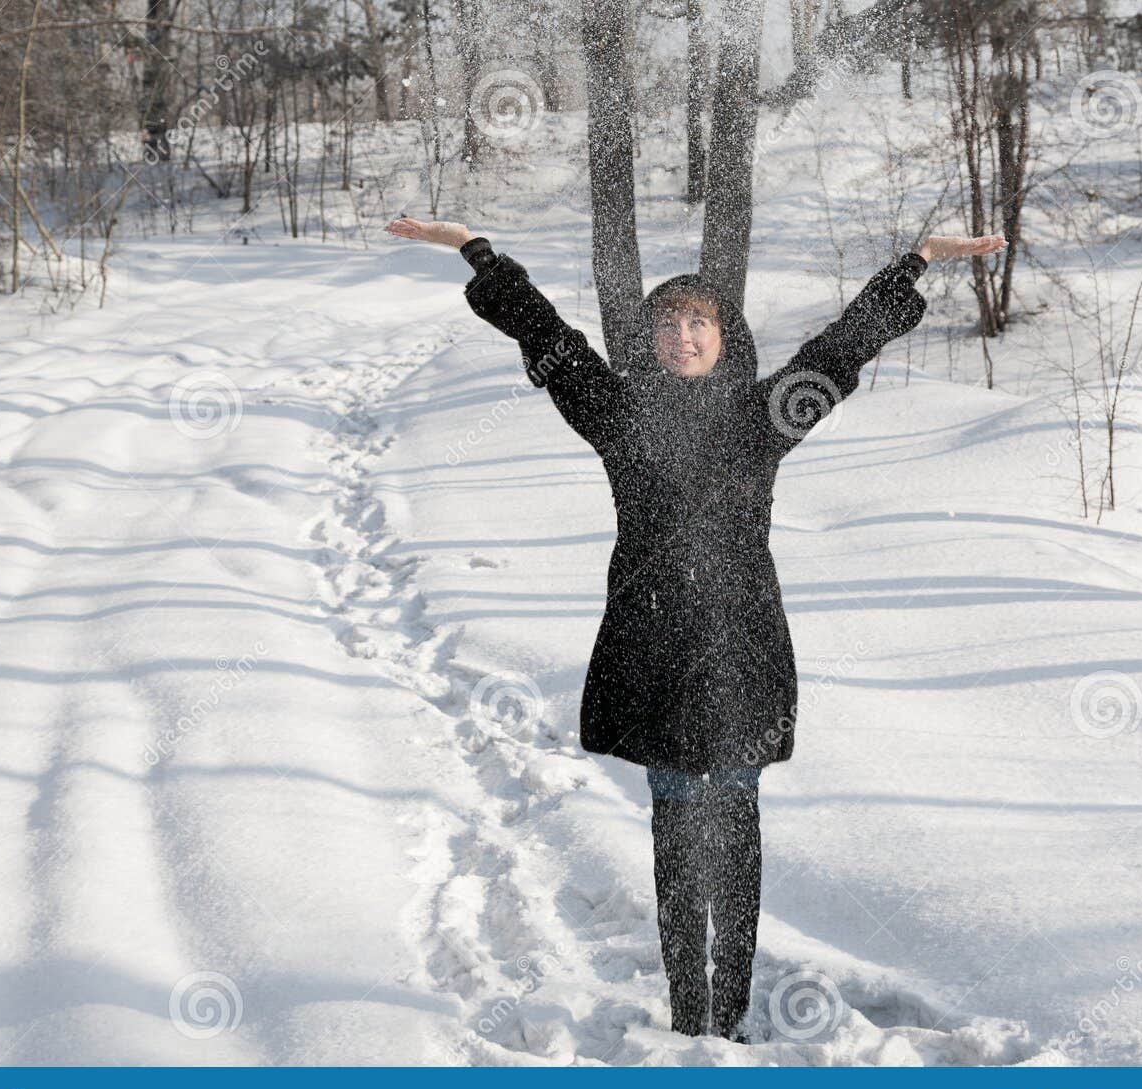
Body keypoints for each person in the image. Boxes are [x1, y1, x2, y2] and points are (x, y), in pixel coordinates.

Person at [387, 217, 1006, 1042]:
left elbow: (839, 351)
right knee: (678, 835)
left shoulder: (765, 418)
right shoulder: (620, 414)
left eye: (698, 322)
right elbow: (550, 339)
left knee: (738, 835)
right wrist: (476, 251)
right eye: (668, 323)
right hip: (653, 653)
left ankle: (734, 1012)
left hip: (744, 653)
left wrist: (919, 260)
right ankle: (689, 1014)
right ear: (649, 340)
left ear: (725, 339)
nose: (682, 334)